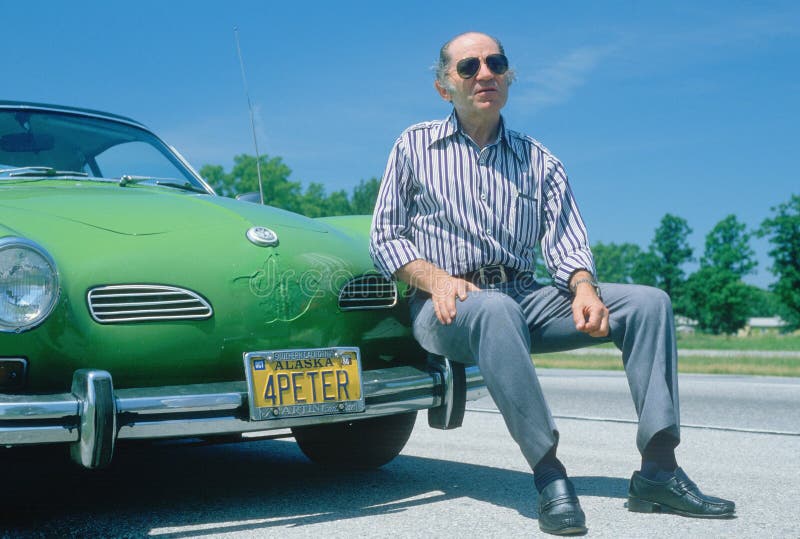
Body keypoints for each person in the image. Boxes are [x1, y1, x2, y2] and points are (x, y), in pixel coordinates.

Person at [369, 31, 735, 535]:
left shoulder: (537, 158)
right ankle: (549, 475)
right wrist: (434, 279)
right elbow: (385, 237)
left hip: (526, 295)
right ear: (443, 87)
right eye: (468, 67)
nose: (485, 74)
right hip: (448, 307)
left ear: (508, 77)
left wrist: (583, 285)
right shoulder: (414, 146)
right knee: (494, 309)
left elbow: (566, 241)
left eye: (495, 63)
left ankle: (659, 470)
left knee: (649, 303)